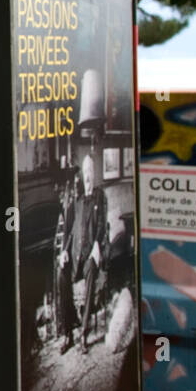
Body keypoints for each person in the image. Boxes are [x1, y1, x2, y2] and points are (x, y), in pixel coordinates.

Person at [57, 150, 108, 354]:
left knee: (91, 274)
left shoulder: (100, 196)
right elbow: (69, 232)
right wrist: (64, 252)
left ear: (94, 174)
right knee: (61, 275)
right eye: (85, 170)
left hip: (89, 256)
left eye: (90, 170)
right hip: (75, 255)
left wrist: (98, 244)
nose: (87, 175)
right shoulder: (76, 202)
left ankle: (84, 334)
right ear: (82, 175)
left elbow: (103, 225)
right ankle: (68, 332)